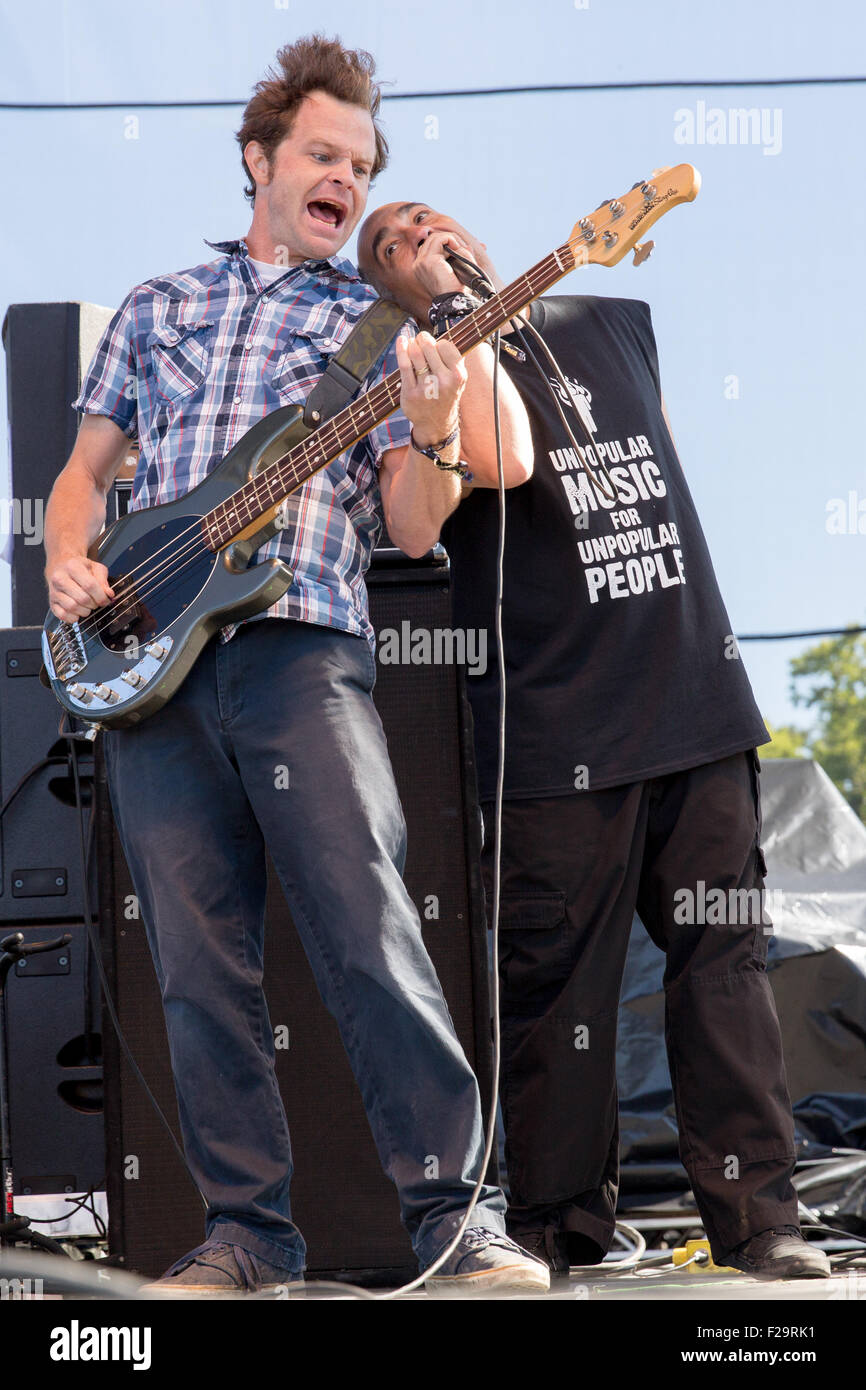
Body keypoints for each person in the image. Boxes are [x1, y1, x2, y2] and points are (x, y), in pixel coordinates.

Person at [42, 38, 549, 1297]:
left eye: (361, 166)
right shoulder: (157, 304)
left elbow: (418, 526)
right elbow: (82, 477)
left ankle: (456, 1222)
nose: (345, 178)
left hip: (304, 650)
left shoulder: (376, 327)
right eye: (323, 154)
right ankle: (245, 1238)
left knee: (368, 928)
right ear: (259, 160)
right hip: (150, 669)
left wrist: (429, 426)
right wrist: (64, 561)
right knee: (194, 968)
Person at [357, 198, 831, 1280]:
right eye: (389, 245)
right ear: (386, 293)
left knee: (725, 972)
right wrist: (451, 316)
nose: (413, 233)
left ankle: (762, 1224)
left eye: (423, 216)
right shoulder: (415, 370)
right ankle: (558, 1231)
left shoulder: (613, 319)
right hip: (554, 729)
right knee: (557, 994)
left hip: (691, 700)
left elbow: (657, 463)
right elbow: (495, 466)